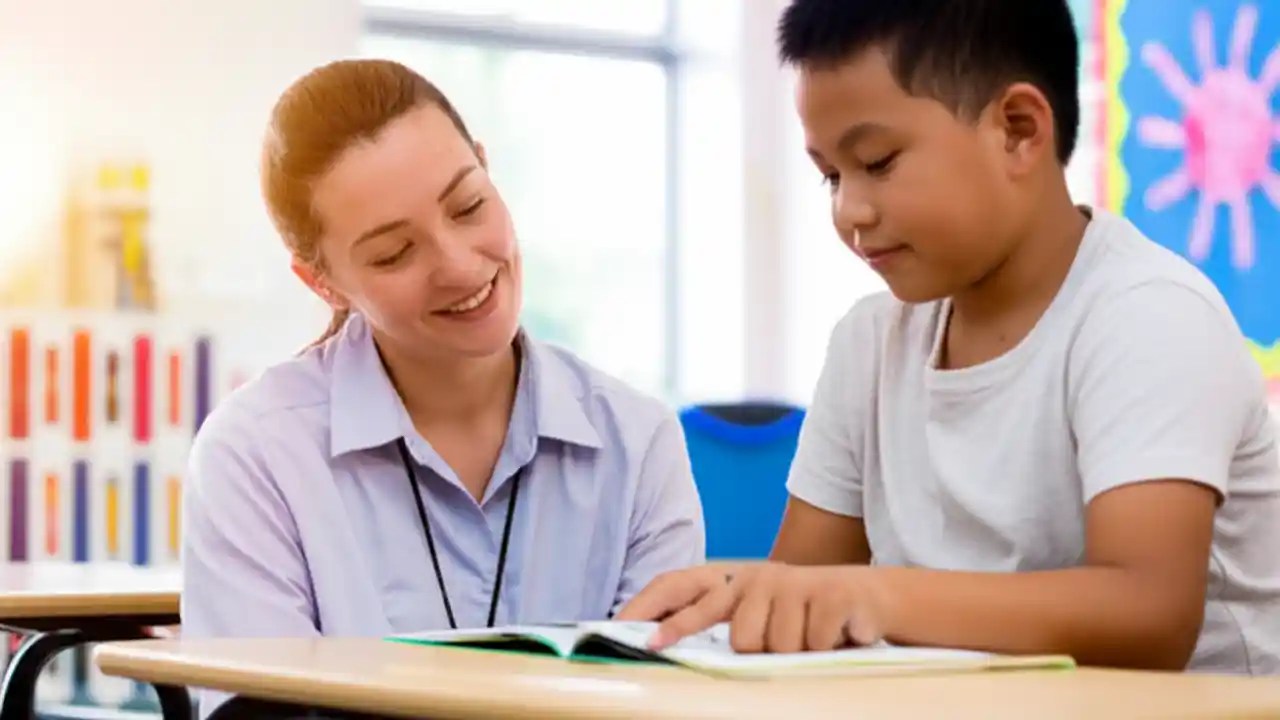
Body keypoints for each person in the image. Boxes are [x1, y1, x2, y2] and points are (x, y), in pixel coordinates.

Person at [618, 0, 1280, 675]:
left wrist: (874, 594)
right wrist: (736, 596)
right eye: (830, 175)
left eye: (876, 162)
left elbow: (1148, 617)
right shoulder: (869, 344)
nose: (849, 210)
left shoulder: (1147, 316)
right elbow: (807, 582)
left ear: (1018, 132)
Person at [181, 58, 705, 710]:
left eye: (468, 205)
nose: (459, 268)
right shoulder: (256, 453)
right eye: (394, 253)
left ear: (487, 167)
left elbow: (658, 703)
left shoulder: (636, 440)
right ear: (323, 283)